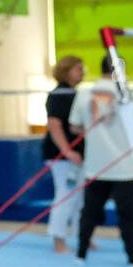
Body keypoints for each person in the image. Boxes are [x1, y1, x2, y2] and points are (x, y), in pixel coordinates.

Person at [71, 55, 133, 267]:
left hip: (96, 165)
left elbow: (74, 126)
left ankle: (80, 256)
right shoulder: (128, 94)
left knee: (90, 213)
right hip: (125, 167)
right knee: (128, 216)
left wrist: (96, 133)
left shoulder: (84, 94)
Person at [42, 56, 85, 254]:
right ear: (67, 71)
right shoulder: (59, 95)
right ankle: (58, 239)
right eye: (78, 69)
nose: (82, 72)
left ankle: (82, 237)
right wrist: (66, 150)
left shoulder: (76, 94)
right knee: (65, 195)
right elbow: (54, 124)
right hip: (61, 154)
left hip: (76, 154)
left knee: (79, 198)